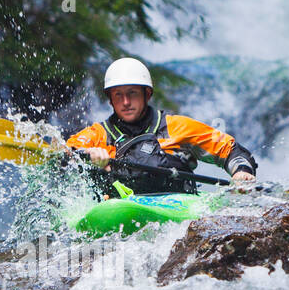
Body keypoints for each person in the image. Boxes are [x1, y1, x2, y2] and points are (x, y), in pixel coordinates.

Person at [65, 57, 257, 196]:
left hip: (176, 206)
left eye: (132, 93)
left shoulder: (177, 127)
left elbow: (229, 149)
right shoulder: (98, 134)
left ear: (147, 94)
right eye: (118, 95)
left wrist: (242, 171)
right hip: (119, 209)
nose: (125, 102)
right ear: (110, 100)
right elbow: (65, 153)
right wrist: (87, 153)